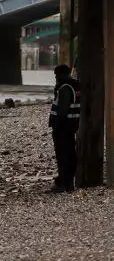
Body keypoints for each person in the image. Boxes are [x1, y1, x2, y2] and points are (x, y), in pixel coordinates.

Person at [49, 63, 80, 192]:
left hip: (63, 128)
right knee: (70, 154)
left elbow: (62, 111)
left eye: (57, 75)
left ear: (62, 75)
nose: (56, 77)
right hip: (72, 126)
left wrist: (57, 127)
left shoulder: (65, 88)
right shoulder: (74, 85)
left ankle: (64, 183)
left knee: (63, 156)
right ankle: (67, 182)